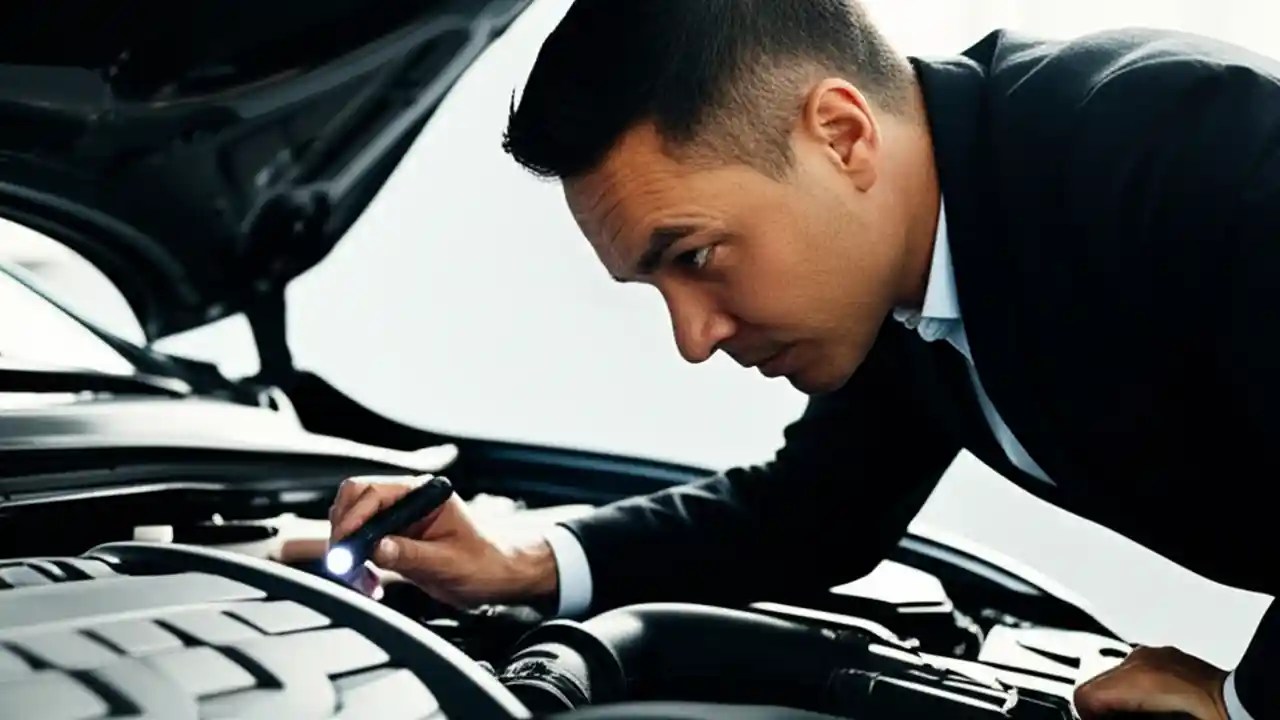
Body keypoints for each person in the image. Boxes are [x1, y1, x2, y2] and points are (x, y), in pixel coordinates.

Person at [328, 1, 1280, 718]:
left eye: (695, 257)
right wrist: (523, 561)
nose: (694, 339)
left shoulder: (1181, 142)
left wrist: (1246, 704)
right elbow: (811, 515)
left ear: (841, 135)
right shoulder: (906, 269)